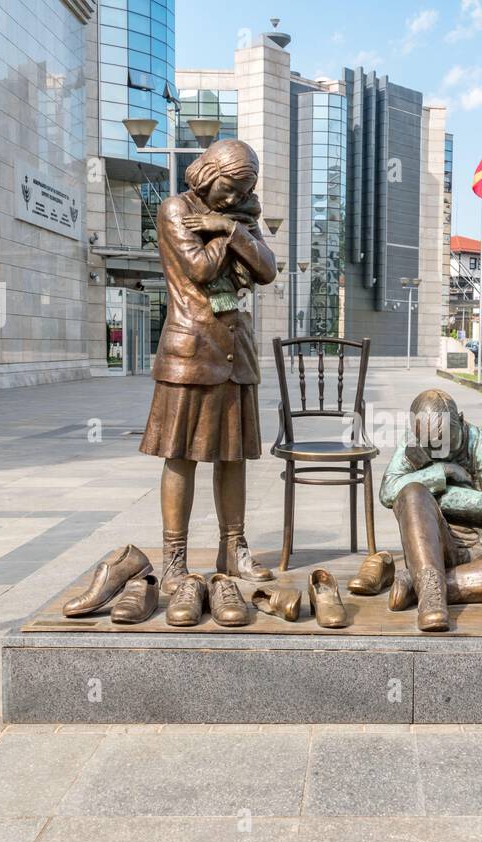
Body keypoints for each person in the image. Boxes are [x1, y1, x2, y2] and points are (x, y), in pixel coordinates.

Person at [139, 139, 276, 596]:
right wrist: (228, 232)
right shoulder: (175, 210)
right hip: (191, 350)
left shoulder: (234, 218)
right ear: (207, 173)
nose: (235, 200)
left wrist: (231, 227)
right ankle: (174, 559)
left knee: (233, 455)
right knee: (180, 456)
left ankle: (232, 547)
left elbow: (267, 270)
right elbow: (198, 269)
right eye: (230, 189)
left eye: (244, 192)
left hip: (235, 351)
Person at [379, 389, 482, 631]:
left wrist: (437, 494)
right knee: (412, 493)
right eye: (433, 448)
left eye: (448, 442)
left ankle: (422, 586)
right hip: (434, 544)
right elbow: (388, 492)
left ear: (462, 420)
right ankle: (432, 600)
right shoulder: (412, 442)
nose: (440, 452)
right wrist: (441, 472)